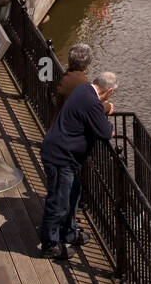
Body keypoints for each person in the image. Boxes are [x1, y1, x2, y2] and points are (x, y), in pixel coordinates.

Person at [39, 70, 117, 260]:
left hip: (64, 155)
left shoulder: (83, 90)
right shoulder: (91, 101)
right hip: (60, 158)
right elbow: (105, 132)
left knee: (73, 193)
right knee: (58, 201)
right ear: (109, 92)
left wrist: (103, 107)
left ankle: (69, 233)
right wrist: (108, 119)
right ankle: (49, 244)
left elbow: (94, 110)